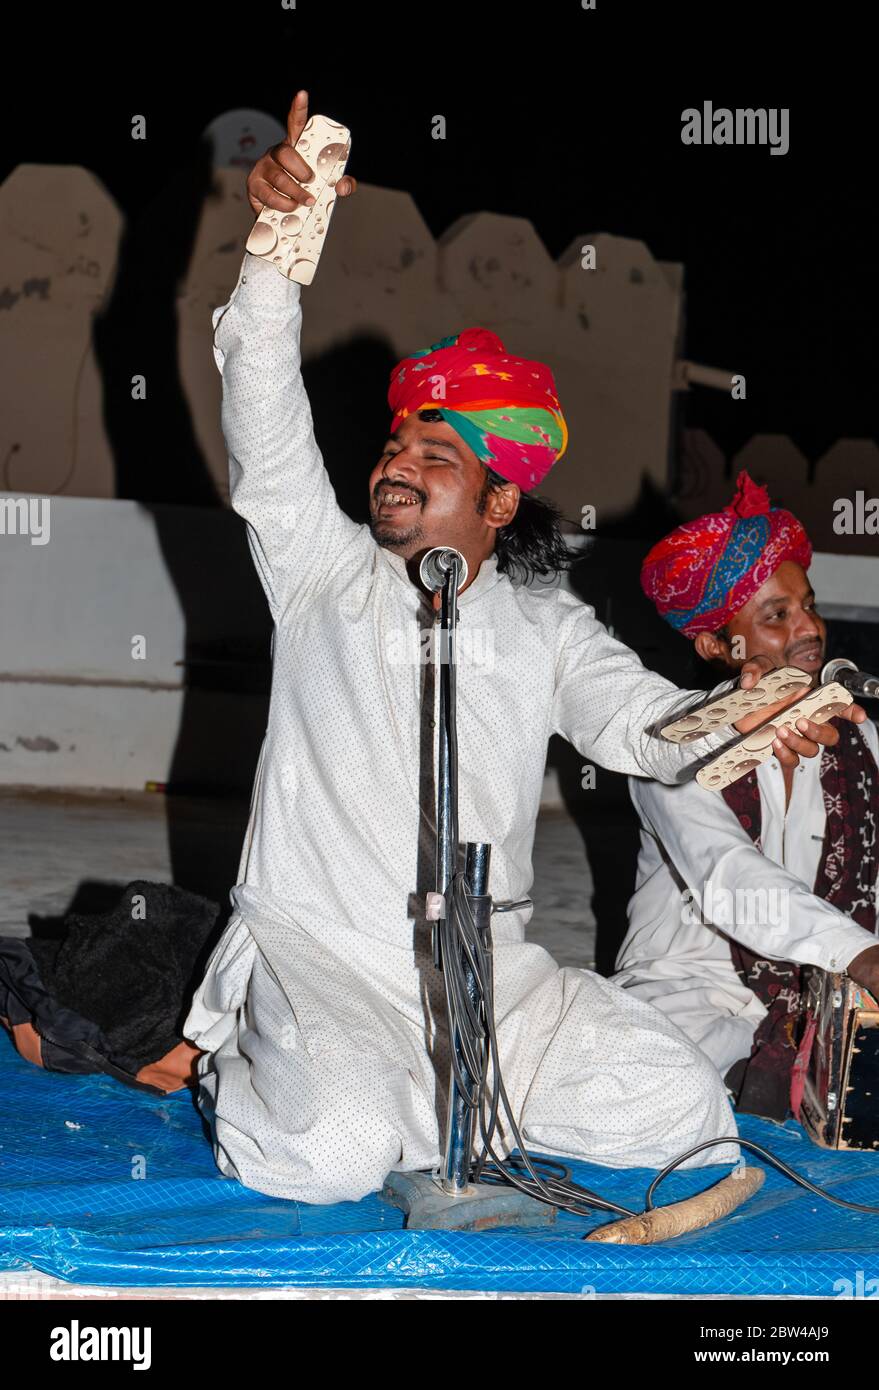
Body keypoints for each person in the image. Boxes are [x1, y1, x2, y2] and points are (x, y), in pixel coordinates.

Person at [183, 93, 863, 1203]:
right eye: (398, 439)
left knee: (679, 1105)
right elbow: (261, 404)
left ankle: (418, 1104)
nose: (396, 461)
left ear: (501, 502)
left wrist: (760, 712)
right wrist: (277, 254)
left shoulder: (545, 625)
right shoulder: (320, 567)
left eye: (436, 453)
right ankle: (252, 1070)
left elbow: (643, 725)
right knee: (330, 1155)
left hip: (493, 981)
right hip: (330, 960)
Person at [615, 471, 877, 1120]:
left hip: (823, 990)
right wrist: (864, 957)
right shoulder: (668, 744)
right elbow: (729, 878)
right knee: (651, 1089)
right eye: (776, 616)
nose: (808, 628)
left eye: (807, 605)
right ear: (713, 645)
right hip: (693, 994)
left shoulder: (854, 736)